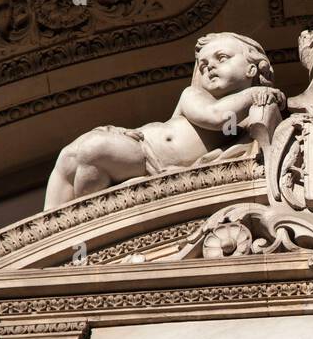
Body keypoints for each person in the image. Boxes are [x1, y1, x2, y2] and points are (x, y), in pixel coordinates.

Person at [44, 32, 284, 208]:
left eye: (222, 58)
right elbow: (217, 117)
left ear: (253, 70)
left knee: (91, 150)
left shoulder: (249, 124)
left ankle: (81, 214)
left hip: (146, 162)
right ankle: (53, 223)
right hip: (143, 149)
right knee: (69, 156)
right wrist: (253, 94)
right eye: (203, 65)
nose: (209, 66)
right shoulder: (195, 95)